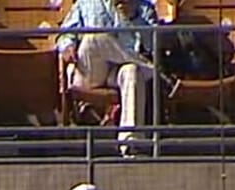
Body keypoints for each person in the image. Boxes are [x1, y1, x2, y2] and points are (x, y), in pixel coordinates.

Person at [56, 0, 164, 150]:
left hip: (118, 71)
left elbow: (153, 44)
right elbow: (64, 34)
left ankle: (130, 142)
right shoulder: (85, 3)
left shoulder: (143, 8)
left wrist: (133, 18)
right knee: (94, 38)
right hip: (90, 71)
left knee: (132, 71)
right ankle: (149, 68)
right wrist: (67, 46)